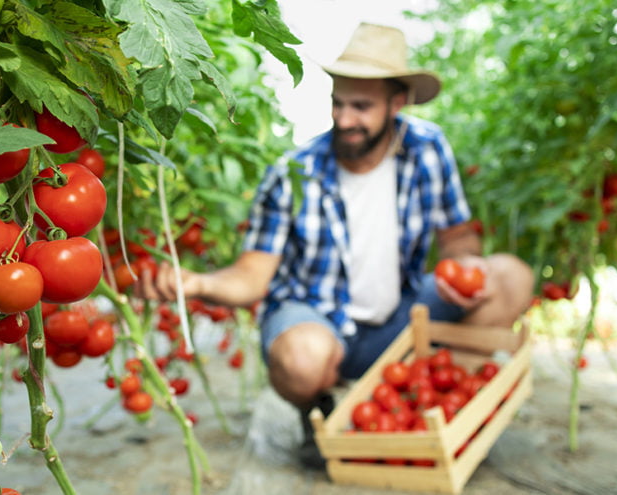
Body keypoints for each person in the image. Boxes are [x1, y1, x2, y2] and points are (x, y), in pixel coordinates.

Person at [136, 22, 535, 468]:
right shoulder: (294, 172)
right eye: (338, 103)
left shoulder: (427, 149)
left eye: (361, 107)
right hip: (319, 324)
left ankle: (439, 400)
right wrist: (195, 282)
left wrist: (463, 271)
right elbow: (252, 277)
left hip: (400, 320)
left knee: (512, 278)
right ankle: (319, 412)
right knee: (302, 358)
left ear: (396, 103)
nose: (345, 119)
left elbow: (458, 236)